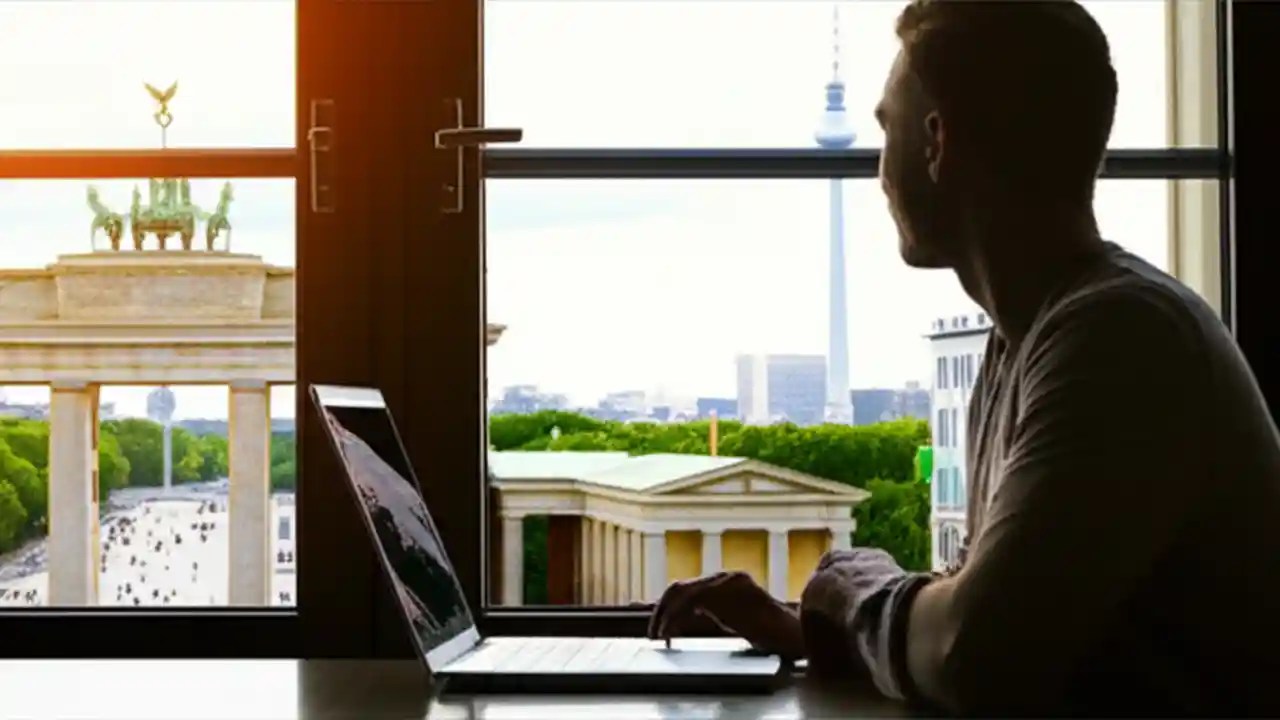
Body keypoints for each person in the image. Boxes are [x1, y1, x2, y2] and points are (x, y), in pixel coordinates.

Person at [648, 1, 1280, 715]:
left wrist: (854, 590)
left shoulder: (1117, 340)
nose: (878, 170)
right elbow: (1007, 615)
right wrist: (812, 627)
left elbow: (975, 654)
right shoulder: (1039, 335)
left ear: (937, 140)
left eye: (887, 128)